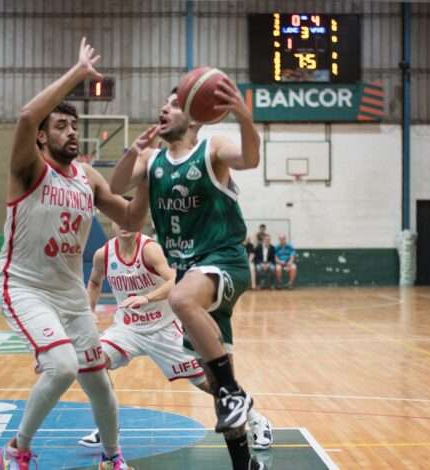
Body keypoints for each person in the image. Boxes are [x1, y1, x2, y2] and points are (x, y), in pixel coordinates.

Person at [0, 38, 147, 470]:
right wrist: (78, 73)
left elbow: (133, 218)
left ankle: (112, 457)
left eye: (74, 127)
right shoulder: (29, 169)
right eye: (60, 126)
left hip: (69, 294)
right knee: (61, 367)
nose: (71, 132)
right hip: (24, 285)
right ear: (42, 137)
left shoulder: (89, 178)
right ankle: (17, 449)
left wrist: (151, 176)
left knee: (98, 381)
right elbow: (27, 114)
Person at [109, 77, 266, 469]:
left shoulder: (210, 148)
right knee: (214, 388)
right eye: (163, 105)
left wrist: (245, 118)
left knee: (178, 299)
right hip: (194, 273)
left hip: (224, 260)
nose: (164, 109)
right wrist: (134, 150)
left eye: (173, 105)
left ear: (194, 117)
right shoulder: (154, 163)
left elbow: (249, 159)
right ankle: (245, 461)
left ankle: (233, 391)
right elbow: (116, 186)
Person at [78, 222, 273, 450]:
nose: (123, 224)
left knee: (210, 383)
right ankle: (108, 425)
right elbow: (93, 282)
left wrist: (147, 298)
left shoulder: (149, 250)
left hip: (164, 331)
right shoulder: (104, 254)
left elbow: (175, 281)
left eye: (127, 218)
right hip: (127, 329)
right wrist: (88, 312)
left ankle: (257, 420)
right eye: (117, 219)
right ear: (111, 222)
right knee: (91, 364)